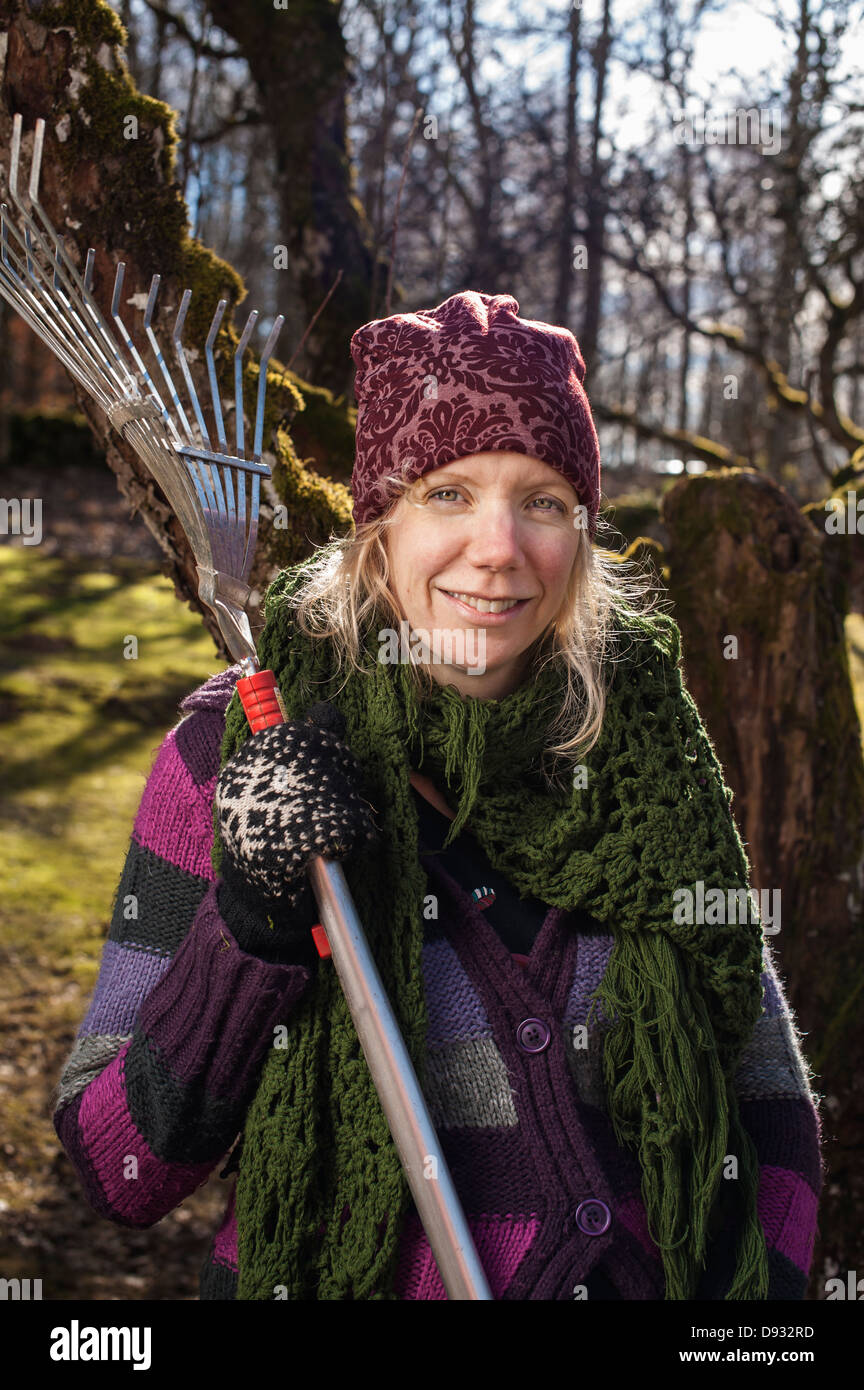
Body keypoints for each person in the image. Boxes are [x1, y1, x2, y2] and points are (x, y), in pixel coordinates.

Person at [53, 290, 823, 1301]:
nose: (500, 546)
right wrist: (249, 932)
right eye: (449, 493)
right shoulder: (228, 755)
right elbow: (120, 1167)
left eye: (542, 499)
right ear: (376, 526)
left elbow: (769, 1107)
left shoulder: (643, 746)